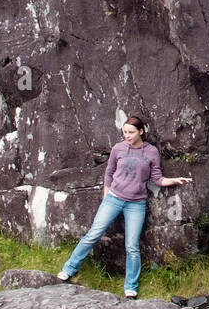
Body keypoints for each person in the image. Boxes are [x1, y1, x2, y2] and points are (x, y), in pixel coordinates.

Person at [57, 115, 192, 297]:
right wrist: (106, 195)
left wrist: (175, 180)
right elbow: (109, 172)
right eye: (125, 132)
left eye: (131, 132)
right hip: (113, 198)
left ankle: (131, 287)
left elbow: (157, 178)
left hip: (136, 204)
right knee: (93, 234)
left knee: (132, 245)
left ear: (141, 132)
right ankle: (69, 268)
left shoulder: (151, 152)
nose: (127, 136)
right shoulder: (118, 148)